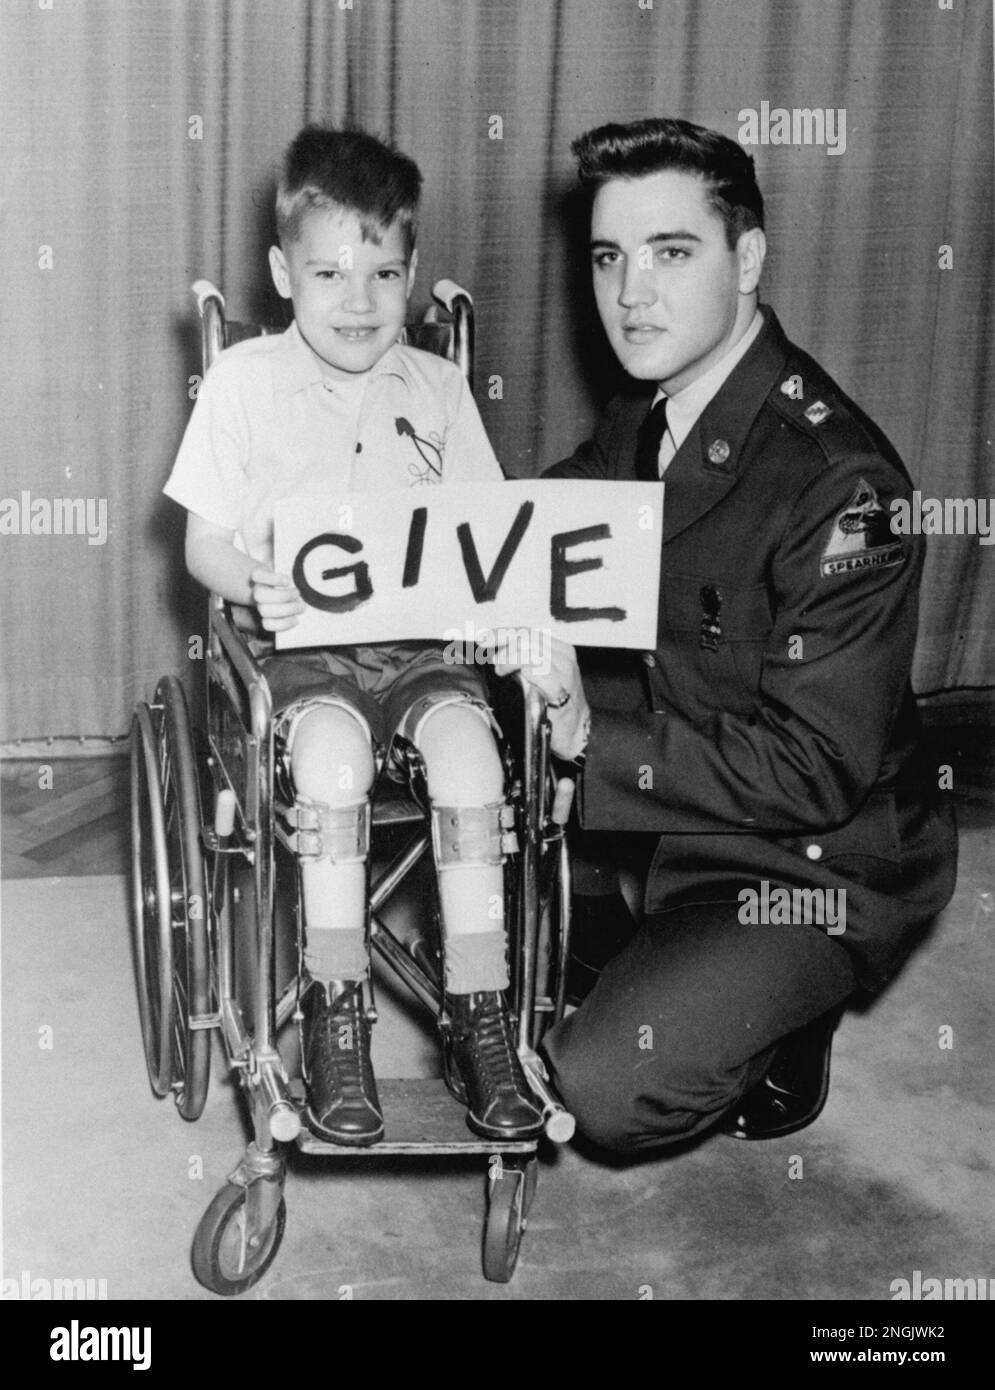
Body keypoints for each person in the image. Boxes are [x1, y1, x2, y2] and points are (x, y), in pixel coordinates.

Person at [499, 117, 957, 1154]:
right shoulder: (648, 405)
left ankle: (791, 1008)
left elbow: (813, 770)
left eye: (670, 254)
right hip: (666, 791)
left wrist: (582, 739)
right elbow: (557, 510)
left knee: (604, 1094)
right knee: (462, 881)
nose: (629, 295)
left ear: (746, 259)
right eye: (609, 258)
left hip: (801, 861)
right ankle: (663, 947)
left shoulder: (848, 489)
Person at [164, 125, 543, 1145]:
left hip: (420, 650)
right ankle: (338, 1014)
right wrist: (255, 580)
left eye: (383, 272)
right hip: (303, 659)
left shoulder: (438, 388)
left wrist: (516, 622)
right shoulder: (244, 382)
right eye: (330, 272)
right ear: (284, 273)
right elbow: (202, 544)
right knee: (331, 765)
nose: (359, 299)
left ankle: (480, 1013)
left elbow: (492, 538)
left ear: (413, 275)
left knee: (472, 761)